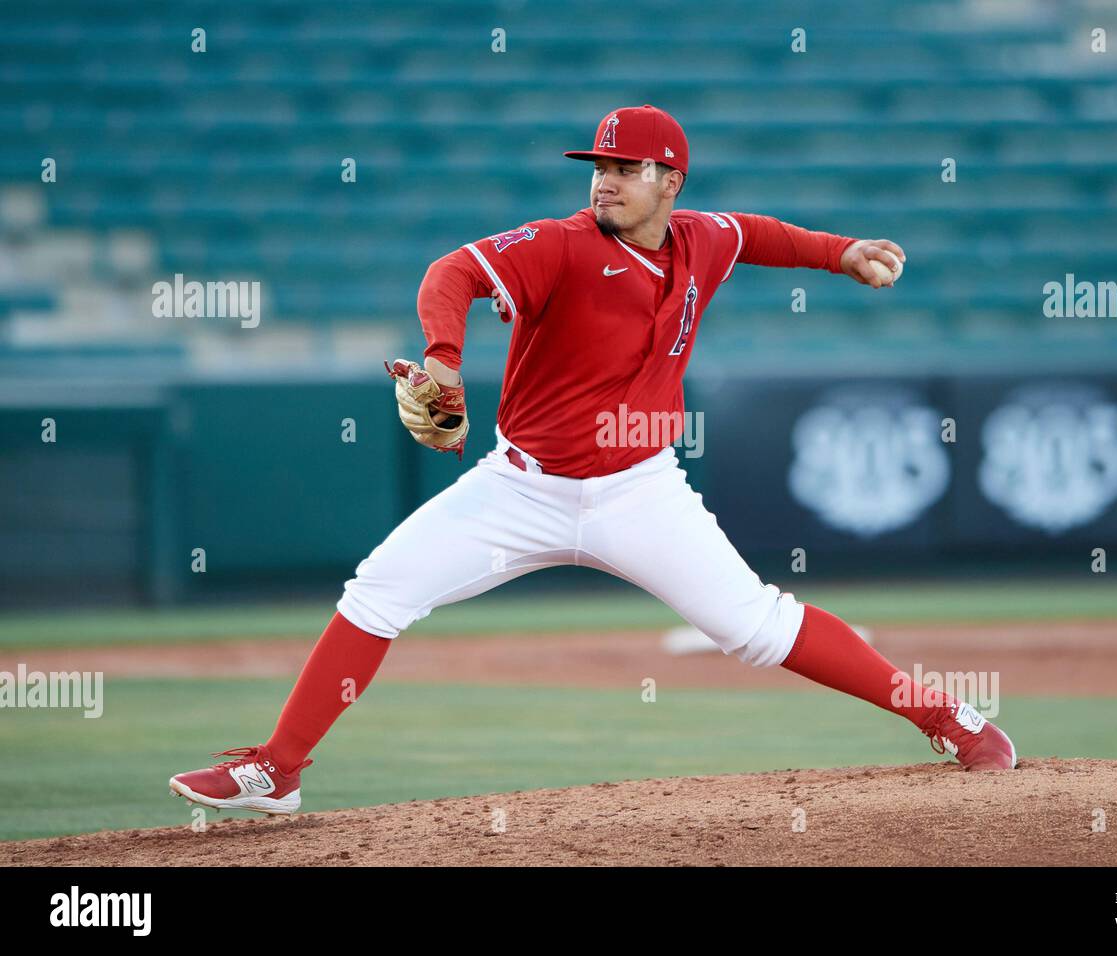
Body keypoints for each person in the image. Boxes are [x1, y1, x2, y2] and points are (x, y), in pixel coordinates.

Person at [169, 105, 1014, 817]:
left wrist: (839, 252)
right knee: (378, 592)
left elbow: (758, 234)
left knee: (757, 627)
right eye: (597, 165)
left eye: (625, 166)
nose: (604, 180)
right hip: (520, 488)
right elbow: (451, 273)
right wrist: (440, 359)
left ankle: (951, 718)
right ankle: (277, 769)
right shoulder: (561, 246)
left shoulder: (702, 238)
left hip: (640, 492)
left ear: (670, 182)